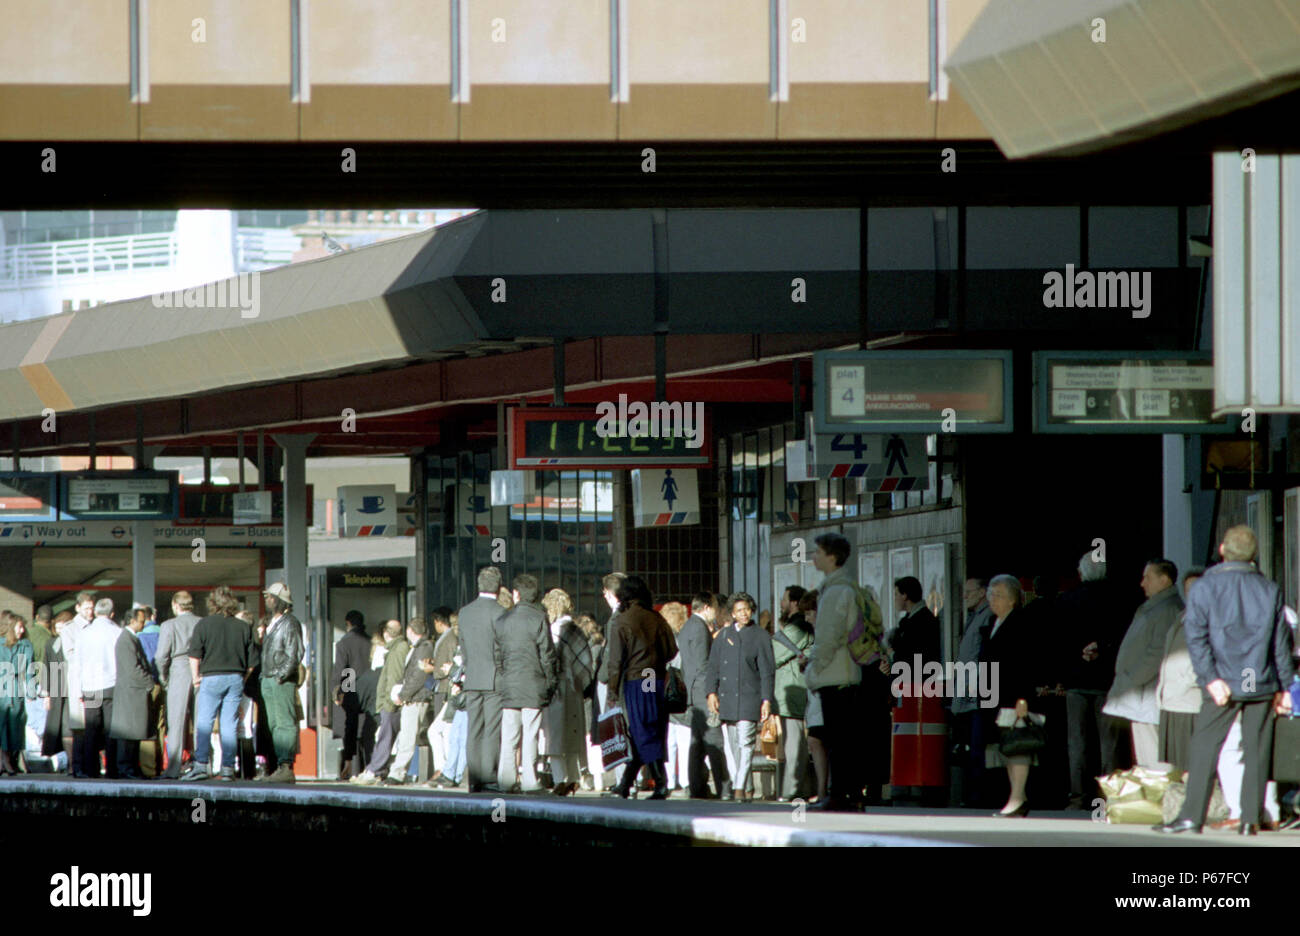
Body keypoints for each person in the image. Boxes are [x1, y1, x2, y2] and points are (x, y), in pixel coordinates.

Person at [1156, 526, 1296, 835]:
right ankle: (1249, 818)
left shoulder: (1206, 587)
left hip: (1223, 679)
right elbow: (1279, 644)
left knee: (1206, 746)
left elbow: (1196, 636)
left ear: (1222, 550)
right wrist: (1286, 687)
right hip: (1255, 678)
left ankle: (1192, 816)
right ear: (1254, 555)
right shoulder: (1269, 589)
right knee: (1257, 748)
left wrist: (1211, 679)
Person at [799, 533, 864, 811]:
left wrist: (813, 670)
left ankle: (839, 795)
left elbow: (827, 636)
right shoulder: (845, 587)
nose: (813, 556)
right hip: (846, 672)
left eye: (817, 552)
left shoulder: (836, 590)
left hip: (835, 673)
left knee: (837, 738)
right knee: (845, 737)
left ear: (832, 557)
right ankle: (851, 793)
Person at [1102, 559, 1183, 768]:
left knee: (1153, 758)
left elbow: (1157, 653)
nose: (1142, 583)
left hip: (1145, 695)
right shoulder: (1157, 607)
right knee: (1146, 756)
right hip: (1141, 695)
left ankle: (1161, 799)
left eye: (1148, 577)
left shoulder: (1166, 610)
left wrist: (1131, 680)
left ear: (1164, 580)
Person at [602, 575, 677, 800]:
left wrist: (613, 690)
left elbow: (615, 661)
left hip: (636, 678)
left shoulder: (622, 620)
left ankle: (660, 782)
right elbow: (672, 650)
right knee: (646, 728)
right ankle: (625, 784)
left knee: (642, 729)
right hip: (653, 675)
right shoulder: (656, 618)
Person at [182, 586, 258, 783]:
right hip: (235, 678)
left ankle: (200, 766)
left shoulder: (204, 625)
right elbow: (252, 663)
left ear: (212, 603)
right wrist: (242, 679)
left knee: (205, 722)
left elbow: (194, 655)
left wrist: (195, 676)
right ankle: (227, 769)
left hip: (211, 677)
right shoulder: (243, 627)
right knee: (229, 724)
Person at [981, 575, 1043, 817]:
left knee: (1018, 746)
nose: (992, 600)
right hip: (995, 695)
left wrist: (1022, 698)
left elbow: (1026, 663)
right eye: (991, 595)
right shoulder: (993, 623)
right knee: (1007, 746)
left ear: (1012, 600)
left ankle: (1017, 798)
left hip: (1014, 694)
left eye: (998, 595)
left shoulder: (1021, 623)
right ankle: (1018, 796)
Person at [706, 591, 775, 803]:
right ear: (732, 614)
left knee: (746, 743)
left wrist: (766, 699)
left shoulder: (761, 636)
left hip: (749, 698)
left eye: (746, 609)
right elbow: (713, 668)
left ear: (751, 610)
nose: (743, 614)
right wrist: (711, 692)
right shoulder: (723, 637)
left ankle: (738, 787)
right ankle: (746, 786)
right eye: (738, 611)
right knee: (735, 745)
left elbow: (766, 671)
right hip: (727, 699)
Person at [493, 574, 558, 794]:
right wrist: (550, 682)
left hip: (510, 685)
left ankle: (506, 780)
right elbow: (547, 656)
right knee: (531, 734)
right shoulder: (540, 619)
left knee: (509, 736)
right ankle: (530, 781)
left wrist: (504, 676)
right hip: (533, 684)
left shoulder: (502, 621)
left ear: (516, 594)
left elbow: (497, 656)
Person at [460, 566, 507, 792]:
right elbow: (502, 649)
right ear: (498, 587)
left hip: (472, 678)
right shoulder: (500, 613)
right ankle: (489, 777)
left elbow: (464, 648)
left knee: (474, 729)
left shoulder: (464, 612)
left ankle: (474, 779)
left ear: (479, 585)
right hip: (494, 679)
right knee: (491, 730)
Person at [542, 588, 594, 796]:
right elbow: (586, 662)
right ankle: (573, 779)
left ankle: (559, 779)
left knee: (554, 737)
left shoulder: (552, 630)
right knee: (573, 736)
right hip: (575, 690)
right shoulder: (576, 630)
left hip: (556, 689)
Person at [679, 591, 728, 799]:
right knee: (714, 739)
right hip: (702, 692)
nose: (716, 612)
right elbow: (703, 665)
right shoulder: (700, 629)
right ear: (707, 607)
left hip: (692, 692)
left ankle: (697, 787)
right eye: (715, 608)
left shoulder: (688, 626)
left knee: (697, 744)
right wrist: (712, 691)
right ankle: (724, 788)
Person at [1156, 568, 1204, 774]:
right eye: (1187, 589)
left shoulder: (1208, 617)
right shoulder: (1182, 616)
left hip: (1190, 701)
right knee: (1176, 766)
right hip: (1172, 699)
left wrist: (1189, 679)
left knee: (1191, 763)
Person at [952, 577, 992, 806]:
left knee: (977, 744)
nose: (964, 596)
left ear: (982, 592)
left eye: (968, 591)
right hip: (968, 689)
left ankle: (977, 796)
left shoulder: (985, 616)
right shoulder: (973, 616)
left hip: (976, 690)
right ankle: (971, 794)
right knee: (969, 744)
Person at [353, 620, 408, 785]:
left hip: (390, 701)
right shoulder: (396, 648)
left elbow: (393, 677)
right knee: (385, 736)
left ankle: (373, 770)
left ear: (386, 633)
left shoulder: (397, 650)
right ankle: (374, 768)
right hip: (388, 700)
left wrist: (388, 702)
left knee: (385, 736)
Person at [258, 582, 303, 783]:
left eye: (271, 597)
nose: (267, 600)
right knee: (275, 724)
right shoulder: (273, 622)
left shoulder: (290, 622)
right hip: (269, 678)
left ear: (281, 601)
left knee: (283, 723)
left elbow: (294, 653)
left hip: (278, 679)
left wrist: (281, 676)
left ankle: (286, 766)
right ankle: (280, 766)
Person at [773, 585, 814, 802]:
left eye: (784, 599)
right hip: (791, 691)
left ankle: (793, 789)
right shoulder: (796, 626)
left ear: (794, 603)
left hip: (794, 691)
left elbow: (774, 653)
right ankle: (799, 787)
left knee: (794, 743)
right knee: (793, 742)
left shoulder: (798, 627)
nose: (781, 603)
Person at [109, 605, 158, 779]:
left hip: (134, 692)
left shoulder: (131, 638)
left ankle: (132, 767)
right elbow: (133, 669)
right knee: (127, 735)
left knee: (134, 734)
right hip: (131, 693)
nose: (144, 624)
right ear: (132, 621)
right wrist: (149, 682)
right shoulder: (126, 640)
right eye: (141, 621)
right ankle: (126, 768)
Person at [156, 591, 201, 779]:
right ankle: (201, 766)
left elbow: (160, 656)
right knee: (200, 721)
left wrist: (163, 677)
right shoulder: (201, 622)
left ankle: (173, 768)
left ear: (176, 605)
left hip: (179, 669)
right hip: (200, 669)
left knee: (176, 722)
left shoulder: (169, 625)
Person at [384, 617, 434, 785]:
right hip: (415, 697)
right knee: (414, 736)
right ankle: (408, 771)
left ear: (410, 631)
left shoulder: (423, 648)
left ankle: (397, 773)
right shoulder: (420, 647)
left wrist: (403, 694)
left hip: (415, 699)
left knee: (408, 737)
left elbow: (417, 677)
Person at [80, 598, 122, 779]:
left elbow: (77, 663)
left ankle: (91, 769)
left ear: (96, 612)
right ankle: (111, 768)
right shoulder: (117, 632)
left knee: (91, 729)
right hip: (111, 685)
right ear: (112, 614)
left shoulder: (84, 633)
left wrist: (78, 689)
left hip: (90, 686)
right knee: (110, 730)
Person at [331, 609, 370, 780]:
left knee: (350, 728)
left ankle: (348, 765)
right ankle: (367, 766)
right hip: (369, 688)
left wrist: (339, 691)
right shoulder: (370, 642)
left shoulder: (343, 643)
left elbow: (343, 669)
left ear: (348, 624)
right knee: (368, 727)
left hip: (352, 688)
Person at [62, 592, 96, 777]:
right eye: (87, 608)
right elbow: (71, 656)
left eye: (92, 608)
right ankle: (77, 767)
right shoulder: (70, 629)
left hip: (94, 682)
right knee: (80, 729)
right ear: (77, 608)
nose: (90, 612)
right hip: (78, 684)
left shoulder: (95, 626)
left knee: (93, 727)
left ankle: (91, 767)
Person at [660, 601, 692, 793]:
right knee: (684, 740)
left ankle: (669, 781)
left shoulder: (659, 641)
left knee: (668, 741)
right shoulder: (684, 641)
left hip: (662, 694)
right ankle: (686, 780)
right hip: (682, 694)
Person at [424, 608, 458, 781]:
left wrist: (432, 669)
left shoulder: (449, 638)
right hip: (445, 688)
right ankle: (444, 768)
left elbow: (449, 664)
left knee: (442, 730)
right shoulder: (447, 638)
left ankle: (443, 768)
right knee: (442, 730)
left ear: (439, 621)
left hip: (446, 688)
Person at [0, 615, 33, 774]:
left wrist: (32, 691)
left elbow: (30, 670)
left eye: (23, 627)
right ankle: (5, 761)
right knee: (2, 726)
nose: (22, 630)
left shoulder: (25, 646)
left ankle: (9, 760)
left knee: (15, 726)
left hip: (16, 690)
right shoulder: (0, 645)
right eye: (19, 627)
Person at [890, 576, 942, 666]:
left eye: (896, 594)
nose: (894, 599)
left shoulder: (923, 622)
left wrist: (892, 655)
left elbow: (912, 657)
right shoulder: (910, 620)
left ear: (904, 595)